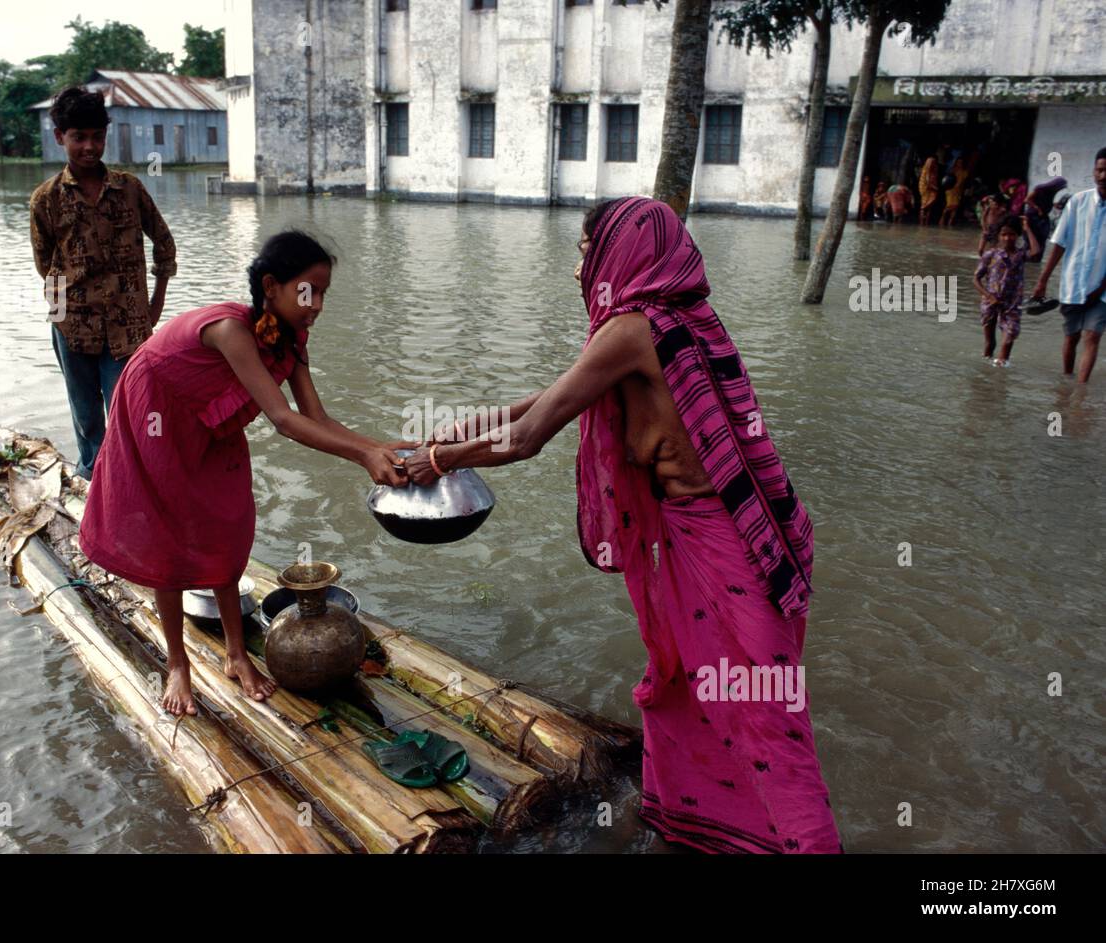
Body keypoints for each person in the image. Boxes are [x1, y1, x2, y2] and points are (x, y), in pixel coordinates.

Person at [404, 197, 841, 854]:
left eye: (588, 250)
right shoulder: (682, 318)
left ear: (623, 253)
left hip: (721, 543)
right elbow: (552, 397)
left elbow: (529, 434)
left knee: (767, 713)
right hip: (735, 532)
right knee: (679, 684)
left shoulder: (633, 328)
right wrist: (458, 431)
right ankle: (687, 824)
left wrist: (437, 461)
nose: (580, 266)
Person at [78, 231, 414, 715]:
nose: (318, 305)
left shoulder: (290, 339)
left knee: (229, 521)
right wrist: (363, 458)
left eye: (323, 293)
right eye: (308, 291)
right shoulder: (231, 330)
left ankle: (236, 655)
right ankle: (177, 664)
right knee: (167, 534)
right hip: (158, 411)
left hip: (210, 419)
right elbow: (283, 419)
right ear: (272, 287)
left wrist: (376, 446)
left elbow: (315, 416)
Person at [30, 87, 177, 480]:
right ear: (59, 136)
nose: (89, 147)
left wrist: (156, 304)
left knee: (129, 411)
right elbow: (46, 266)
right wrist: (60, 320)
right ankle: (91, 482)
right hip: (72, 325)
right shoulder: (46, 200)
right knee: (85, 417)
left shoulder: (129, 189)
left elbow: (164, 244)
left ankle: (133, 484)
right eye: (79, 137)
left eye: (98, 137)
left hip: (129, 327)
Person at [1031, 148, 1106, 383]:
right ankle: (1066, 383)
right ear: (1094, 171)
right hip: (1073, 284)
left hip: (1103, 291)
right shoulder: (1078, 202)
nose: (1103, 176)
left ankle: (1079, 393)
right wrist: (1042, 280)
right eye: (1100, 170)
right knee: (1071, 337)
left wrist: (1100, 288)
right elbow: (1060, 244)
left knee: (1092, 336)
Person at [974, 215, 1039, 367]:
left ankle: (1000, 369)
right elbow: (976, 279)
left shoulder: (1020, 255)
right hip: (990, 303)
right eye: (1004, 234)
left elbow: (1036, 252)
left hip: (1012, 304)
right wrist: (988, 296)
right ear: (998, 235)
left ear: (1018, 235)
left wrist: (1027, 228)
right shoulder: (991, 255)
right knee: (990, 342)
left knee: (1009, 338)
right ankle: (986, 371)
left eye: (1012, 234)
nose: (1008, 238)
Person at [940, 159, 969, 226]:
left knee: (956, 206)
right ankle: (942, 218)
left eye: (961, 162)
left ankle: (950, 222)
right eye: (958, 162)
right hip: (950, 190)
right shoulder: (952, 171)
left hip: (958, 191)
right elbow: (946, 180)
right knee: (949, 205)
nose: (959, 164)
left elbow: (964, 182)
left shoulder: (964, 172)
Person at [918, 155, 940, 225]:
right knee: (924, 207)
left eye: (933, 162)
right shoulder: (926, 171)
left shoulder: (934, 171)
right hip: (926, 189)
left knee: (929, 207)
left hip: (932, 190)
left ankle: (926, 222)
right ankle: (922, 222)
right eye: (930, 162)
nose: (931, 164)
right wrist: (935, 188)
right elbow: (928, 182)